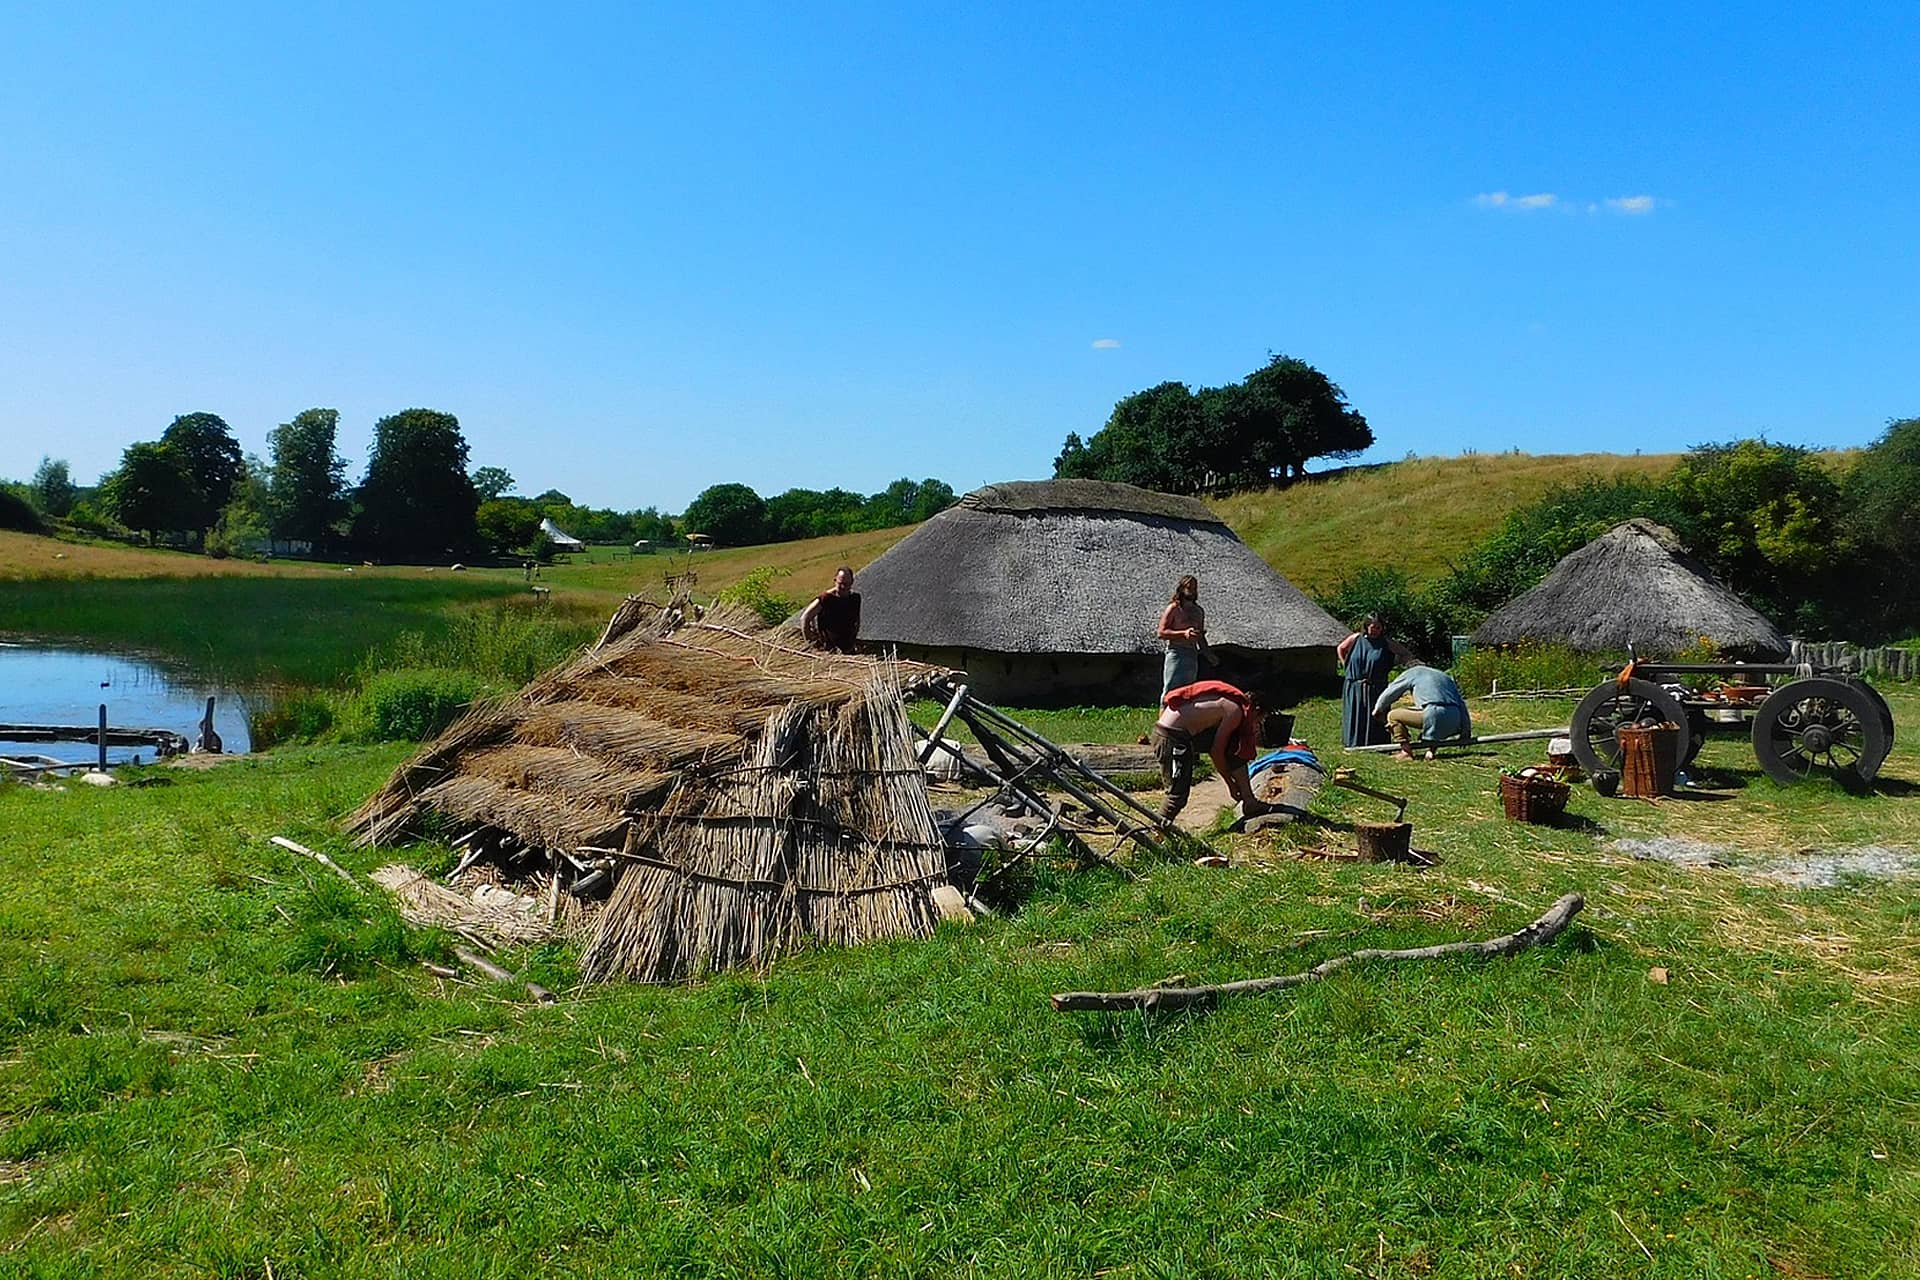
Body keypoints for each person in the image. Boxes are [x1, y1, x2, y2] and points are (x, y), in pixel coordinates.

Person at [1152, 679, 1273, 821]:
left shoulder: (1231, 701)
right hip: (1171, 738)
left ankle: (1250, 802)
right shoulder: (1234, 710)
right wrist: (1230, 785)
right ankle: (1152, 835)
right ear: (1256, 711)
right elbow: (1216, 752)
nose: (1255, 727)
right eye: (1257, 722)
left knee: (1233, 746)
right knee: (1176, 796)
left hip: (1179, 733)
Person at [1372, 665, 1472, 761]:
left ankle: (1405, 751)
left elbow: (1392, 691)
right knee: (1432, 723)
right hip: (1455, 718)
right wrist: (1466, 729)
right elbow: (1461, 703)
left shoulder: (1415, 672)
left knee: (1393, 715)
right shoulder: (1445, 676)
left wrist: (1378, 708)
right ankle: (1430, 752)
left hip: (1434, 712)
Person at [1336, 614, 1395, 747]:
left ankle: (1376, 742)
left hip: (1376, 686)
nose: (1375, 630)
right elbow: (1341, 648)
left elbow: (1404, 653)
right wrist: (1346, 664)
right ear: (1367, 627)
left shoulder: (1385, 642)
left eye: (1379, 628)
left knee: (1375, 714)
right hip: (1355, 685)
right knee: (1355, 714)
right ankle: (1354, 742)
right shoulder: (1356, 638)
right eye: (1373, 627)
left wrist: (1391, 664)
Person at [1156, 575, 1216, 696]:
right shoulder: (1174, 608)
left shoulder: (1198, 611)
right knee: (1170, 690)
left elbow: (1201, 638)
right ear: (1182, 588)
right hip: (1176, 652)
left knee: (1188, 691)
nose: (1192, 590)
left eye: (1194, 588)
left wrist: (1208, 654)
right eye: (1189, 587)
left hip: (1191, 653)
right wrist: (1183, 633)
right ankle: (1164, 714)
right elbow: (1161, 633)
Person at [799, 566, 861, 653]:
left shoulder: (855, 599)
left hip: (847, 648)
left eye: (847, 584)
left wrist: (853, 638)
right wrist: (811, 644)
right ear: (835, 581)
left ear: (852, 582)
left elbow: (857, 621)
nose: (843, 587)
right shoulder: (826, 598)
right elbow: (805, 618)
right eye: (841, 584)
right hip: (829, 650)